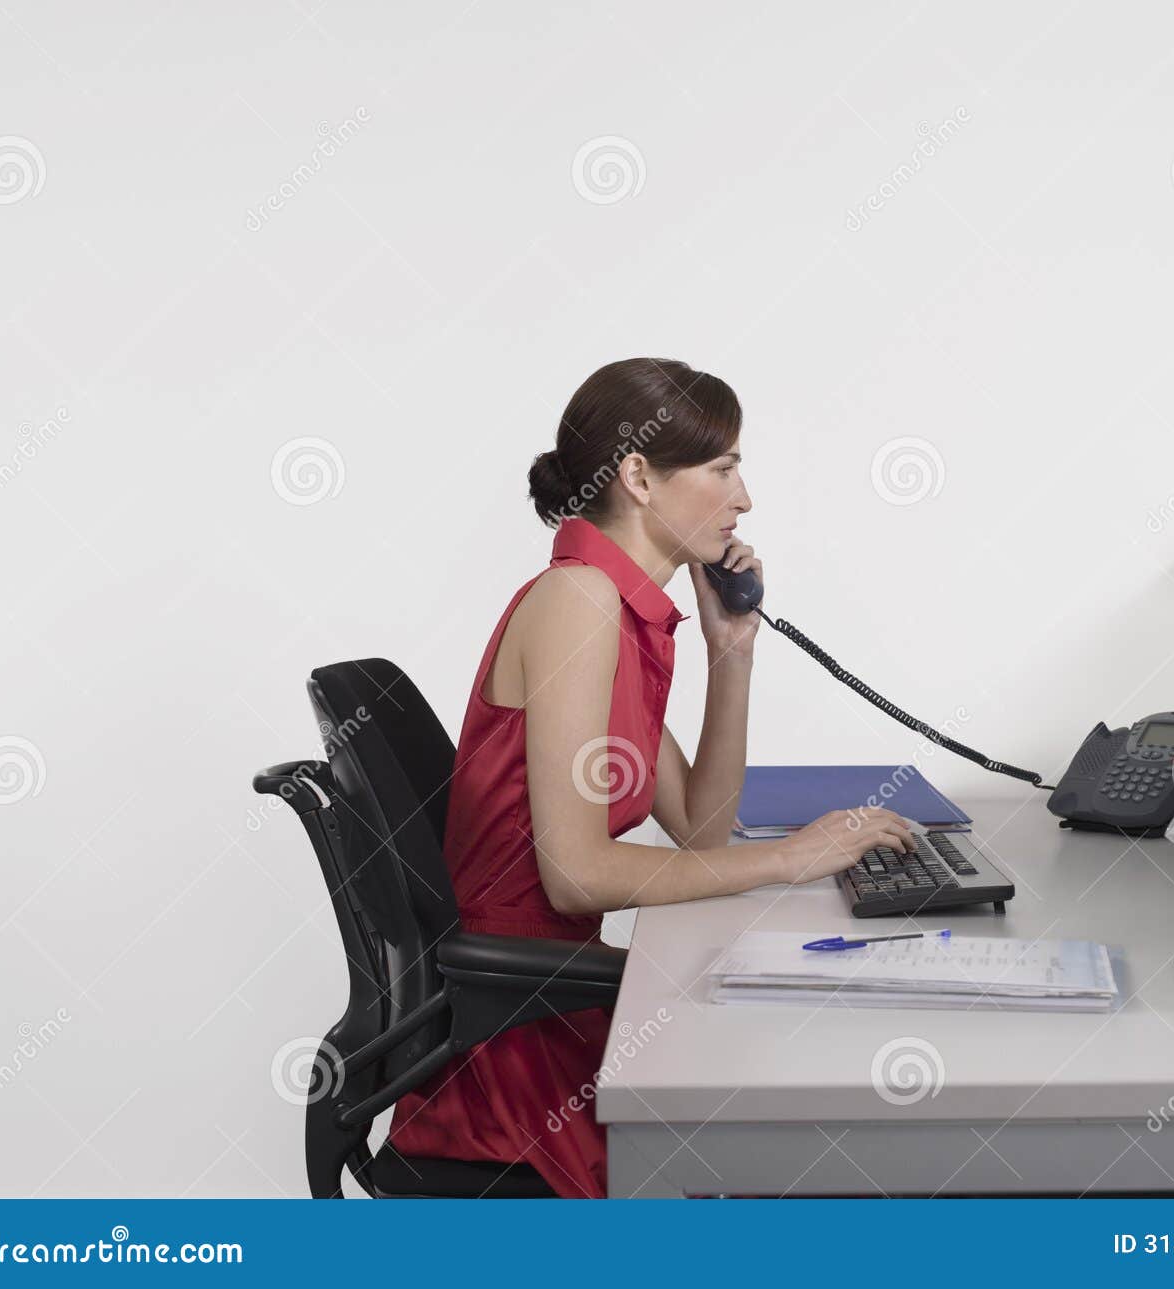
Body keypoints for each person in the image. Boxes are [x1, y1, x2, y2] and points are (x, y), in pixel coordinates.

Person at [385, 357, 914, 1196]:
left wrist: (730, 653)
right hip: (513, 1062)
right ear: (637, 475)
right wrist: (790, 857)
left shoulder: (620, 612)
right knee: (800, 1161)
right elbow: (577, 876)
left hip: (560, 1011)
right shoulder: (578, 603)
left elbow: (702, 831)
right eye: (724, 467)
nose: (746, 498)